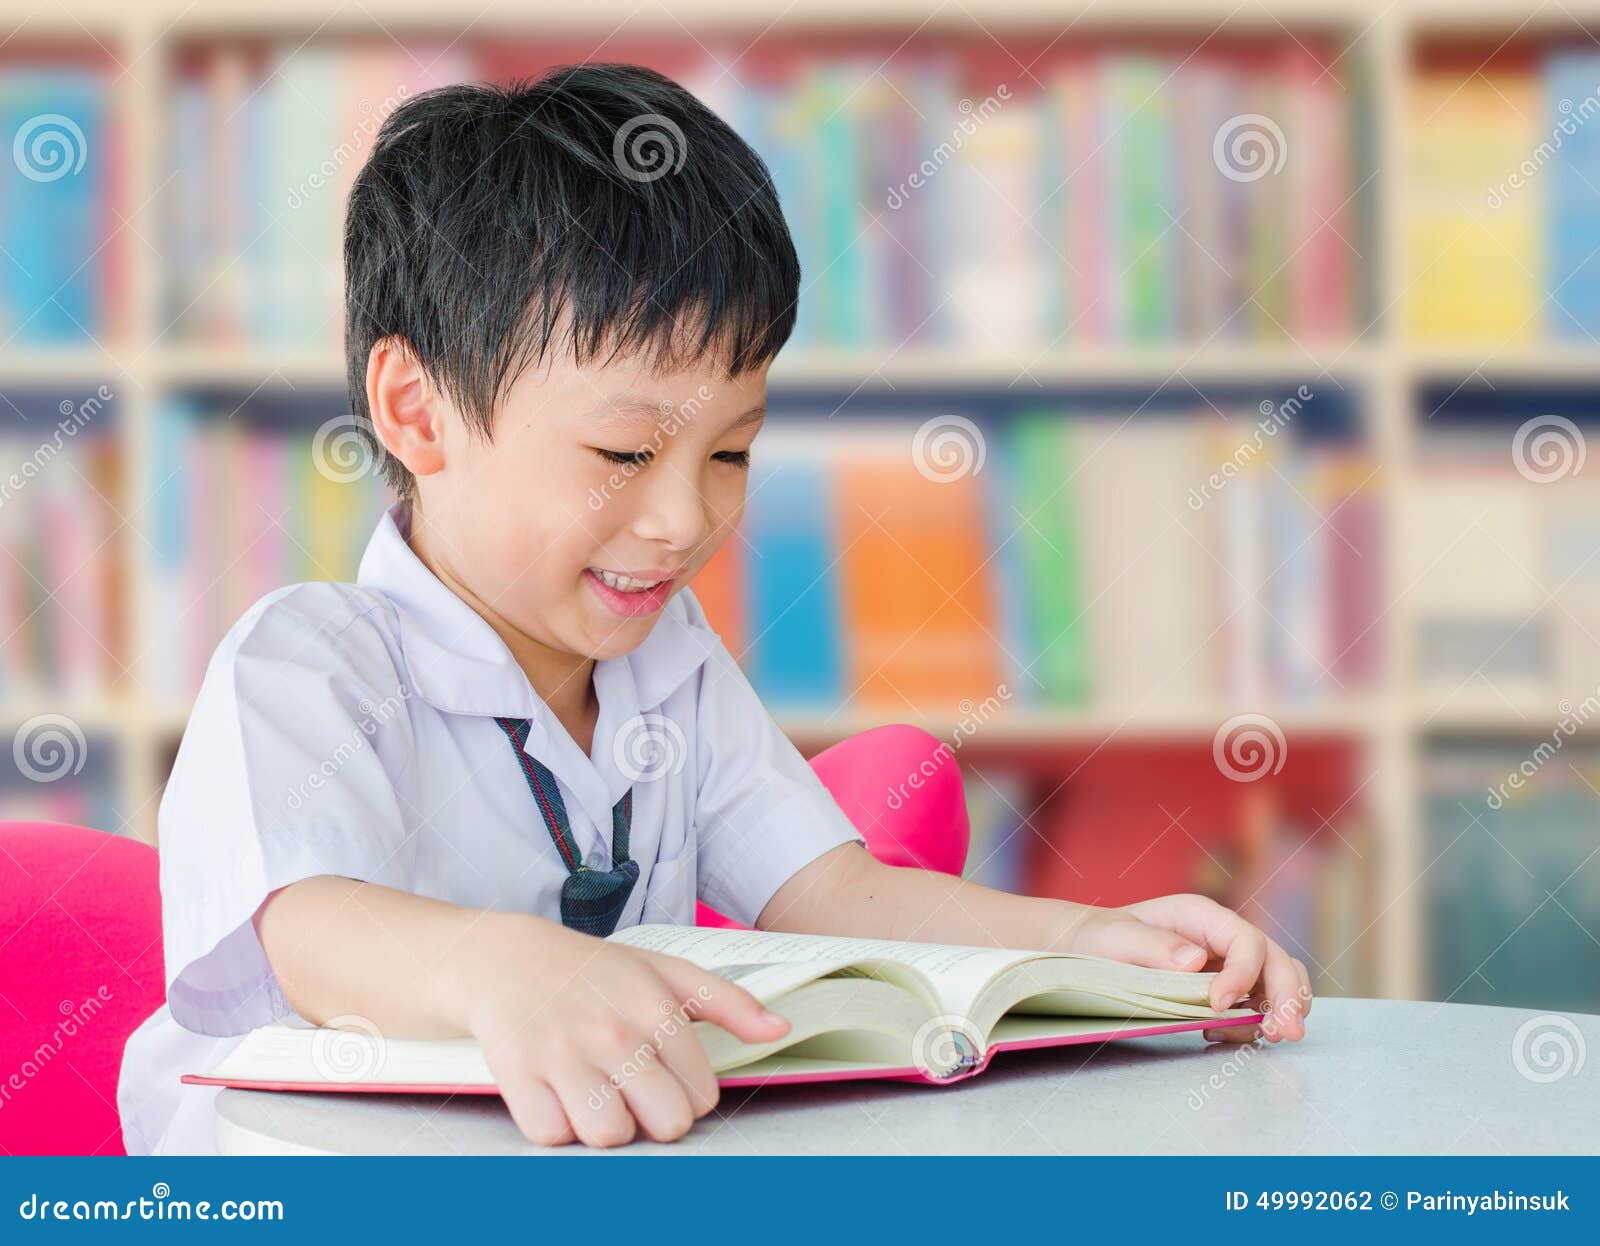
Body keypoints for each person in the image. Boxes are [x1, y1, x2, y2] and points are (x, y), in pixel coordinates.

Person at [118, 64, 1309, 1155]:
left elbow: (832, 895)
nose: (685, 518)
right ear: (417, 412)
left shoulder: (671, 662)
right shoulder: (308, 663)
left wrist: (1084, 943)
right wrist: (501, 969)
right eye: (624, 453)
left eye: (729, 453)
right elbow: (309, 924)